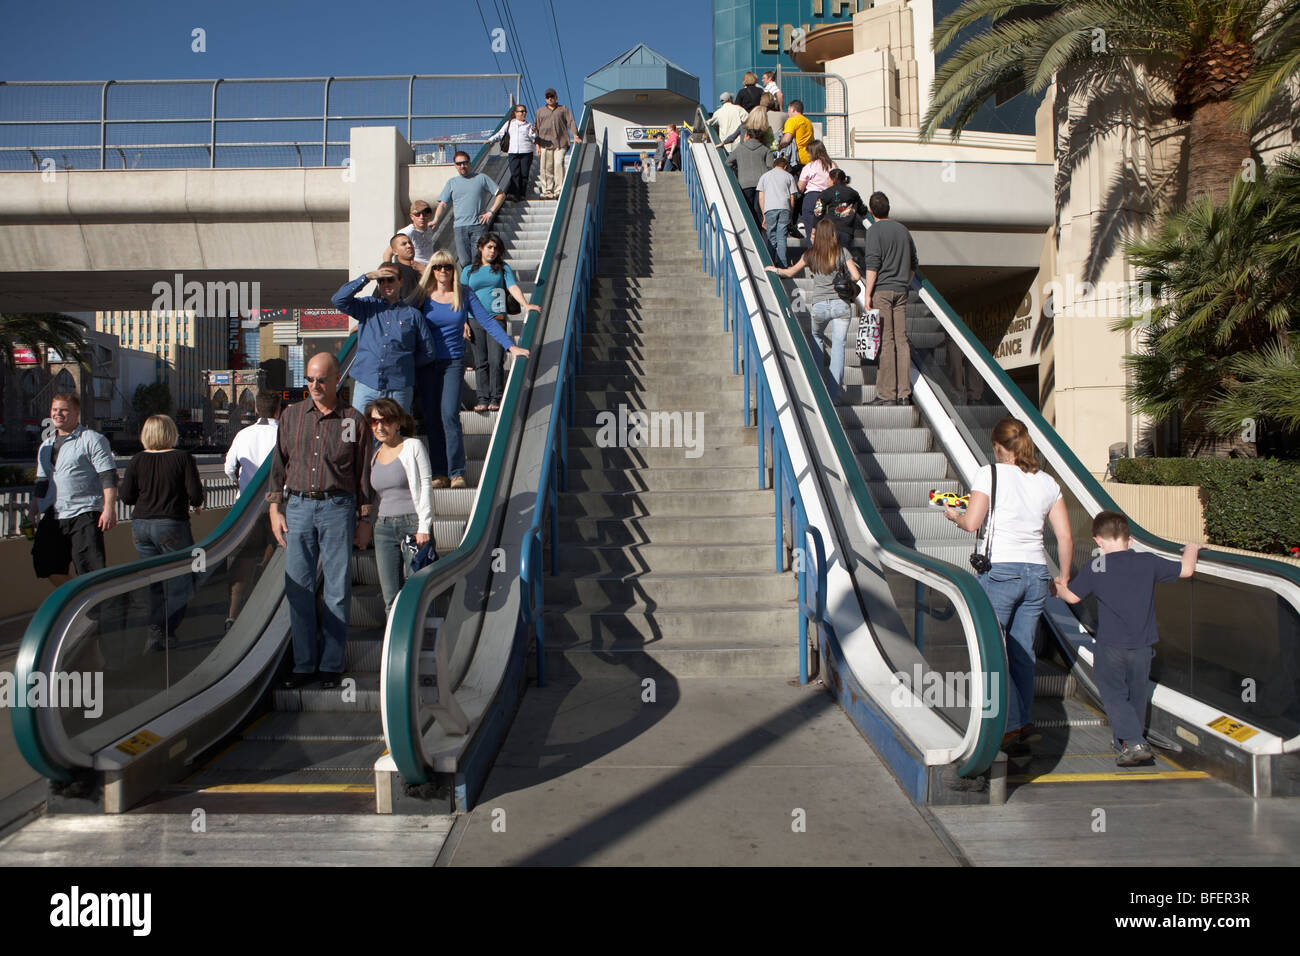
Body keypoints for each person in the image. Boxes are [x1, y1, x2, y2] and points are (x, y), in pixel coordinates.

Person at [943, 418, 1074, 757]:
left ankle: (1011, 724)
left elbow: (972, 521)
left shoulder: (991, 473)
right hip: (1037, 575)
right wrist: (1064, 578)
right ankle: (1024, 720)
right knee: (1021, 653)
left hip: (1001, 571)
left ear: (1000, 447)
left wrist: (953, 515)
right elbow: (1064, 536)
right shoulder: (1047, 483)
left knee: (993, 651)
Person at [1053, 512, 1200, 767]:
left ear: (1098, 540)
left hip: (1110, 645)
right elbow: (1186, 570)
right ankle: (1126, 741)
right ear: (1129, 540)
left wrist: (1056, 586)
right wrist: (1192, 548)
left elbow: (1073, 598)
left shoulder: (1095, 567)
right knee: (1136, 693)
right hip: (1143, 645)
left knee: (1113, 695)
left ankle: (1134, 742)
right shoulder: (1148, 562)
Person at [267, 352, 373, 691]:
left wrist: (365, 519)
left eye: (321, 379)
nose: (314, 385)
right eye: (310, 379)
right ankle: (303, 664)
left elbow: (363, 474)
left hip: (338, 508)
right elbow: (278, 466)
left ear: (337, 379)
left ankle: (331, 665)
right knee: (298, 589)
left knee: (337, 591)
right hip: (297, 506)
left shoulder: (352, 421)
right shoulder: (292, 416)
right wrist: (274, 507)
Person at [415, 249, 529, 489]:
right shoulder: (422, 295)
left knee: (449, 415)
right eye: (437, 267)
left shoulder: (464, 294)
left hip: (453, 362)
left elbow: (487, 320)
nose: (443, 271)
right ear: (431, 271)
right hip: (426, 364)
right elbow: (402, 315)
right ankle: (439, 472)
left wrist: (510, 346)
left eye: (447, 266)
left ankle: (456, 472)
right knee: (433, 418)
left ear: (453, 270)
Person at [119, 414, 204, 650]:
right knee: (182, 580)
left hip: (141, 526)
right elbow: (196, 495)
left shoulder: (137, 460)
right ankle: (168, 629)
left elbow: (126, 497)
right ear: (171, 433)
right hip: (172, 525)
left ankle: (155, 629)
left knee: (153, 580)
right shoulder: (182, 458)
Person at [765, 220, 862, 403]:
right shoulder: (842, 252)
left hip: (819, 306)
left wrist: (774, 269)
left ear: (818, 235)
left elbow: (790, 272)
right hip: (841, 305)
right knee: (839, 347)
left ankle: (818, 389)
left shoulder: (810, 255)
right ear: (833, 234)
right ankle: (834, 395)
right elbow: (856, 276)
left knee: (816, 338)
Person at [29, 393, 117, 588]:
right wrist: (33, 509)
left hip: (84, 511)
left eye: (63, 410)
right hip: (54, 512)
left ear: (76, 413)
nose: (57, 414)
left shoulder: (92, 439)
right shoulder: (46, 445)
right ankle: (77, 598)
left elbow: (108, 475)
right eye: (54, 410)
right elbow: (42, 481)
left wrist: (109, 508)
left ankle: (97, 612)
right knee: (45, 562)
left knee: (89, 569)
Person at [331, 262, 436, 414]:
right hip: (366, 384)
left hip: (399, 387)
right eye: (381, 280)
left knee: (399, 434)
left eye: (390, 279)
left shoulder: (413, 315)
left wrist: (404, 365)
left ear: (400, 281)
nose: (386, 283)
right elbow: (338, 300)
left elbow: (429, 352)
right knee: (360, 434)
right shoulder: (367, 307)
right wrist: (367, 277)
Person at [362, 398, 433, 615]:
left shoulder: (412, 446)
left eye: (386, 421)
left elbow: (426, 484)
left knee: (418, 592)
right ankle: (395, 645)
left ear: (397, 422)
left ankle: (423, 643)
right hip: (383, 529)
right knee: (390, 597)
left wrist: (424, 526)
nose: (380, 427)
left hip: (412, 525)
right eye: (374, 422)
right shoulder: (374, 454)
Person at [461, 233, 542, 412]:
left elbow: (512, 286)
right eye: (489, 247)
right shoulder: (468, 271)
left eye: (496, 248)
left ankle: (495, 397)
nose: (492, 251)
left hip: (496, 319)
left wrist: (526, 304)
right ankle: (482, 398)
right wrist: (463, 322)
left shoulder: (502, 268)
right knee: (480, 361)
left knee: (496, 360)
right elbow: (460, 296)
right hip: (474, 320)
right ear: (480, 248)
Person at [224, 390, 280, 628]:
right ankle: (267, 610)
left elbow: (229, 467)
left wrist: (242, 484)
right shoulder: (283, 432)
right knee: (276, 560)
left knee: (242, 560)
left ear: (256, 409)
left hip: (247, 508)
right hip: (278, 506)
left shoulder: (243, 434)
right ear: (279, 409)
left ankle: (232, 615)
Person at [861, 191, 919, 406]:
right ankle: (904, 393)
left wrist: (868, 293)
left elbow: (872, 264)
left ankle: (886, 394)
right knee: (902, 342)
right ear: (888, 208)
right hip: (901, 290)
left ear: (870, 210)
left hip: (883, 291)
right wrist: (904, 281)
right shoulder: (903, 230)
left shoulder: (874, 231)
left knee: (886, 342)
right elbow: (914, 263)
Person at [430, 152, 505, 268]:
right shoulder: (452, 182)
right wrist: (435, 220)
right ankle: (468, 285)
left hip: (478, 226)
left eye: (464, 163)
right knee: (464, 262)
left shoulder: (481, 178)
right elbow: (443, 204)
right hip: (459, 228)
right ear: (455, 165)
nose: (462, 166)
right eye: (458, 164)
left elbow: (500, 194)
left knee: (479, 261)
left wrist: (491, 212)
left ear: (469, 163)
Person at [815, 168, 869, 265]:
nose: (827, 181)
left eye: (828, 179)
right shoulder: (853, 193)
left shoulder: (827, 192)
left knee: (828, 258)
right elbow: (862, 209)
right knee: (844, 258)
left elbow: (818, 212)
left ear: (832, 180)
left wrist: (816, 226)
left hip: (829, 230)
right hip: (846, 230)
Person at [535, 88, 579, 199]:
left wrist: (575, 135)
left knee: (558, 164)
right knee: (546, 168)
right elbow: (536, 129)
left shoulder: (563, 109)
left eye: (552, 96)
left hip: (561, 142)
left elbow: (570, 122)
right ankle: (547, 191)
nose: (550, 99)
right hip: (545, 144)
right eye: (548, 97)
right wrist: (537, 146)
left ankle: (559, 190)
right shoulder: (540, 111)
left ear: (556, 97)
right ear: (545, 98)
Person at [488, 104, 538, 201]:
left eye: (524, 111)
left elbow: (533, 138)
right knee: (515, 173)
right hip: (513, 152)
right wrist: (491, 140)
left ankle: (522, 194)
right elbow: (500, 133)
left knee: (524, 174)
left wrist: (534, 133)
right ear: (515, 113)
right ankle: (514, 194)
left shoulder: (529, 125)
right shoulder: (509, 123)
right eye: (521, 111)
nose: (523, 113)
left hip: (526, 152)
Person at [757, 156, 798, 267]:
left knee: (771, 237)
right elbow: (792, 197)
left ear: (774, 165)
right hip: (785, 208)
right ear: (785, 166)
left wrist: (764, 213)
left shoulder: (765, 176)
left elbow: (761, 197)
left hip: (770, 209)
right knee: (782, 236)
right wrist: (791, 213)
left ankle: (770, 262)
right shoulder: (789, 176)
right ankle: (782, 264)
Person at [727, 127, 774, 224]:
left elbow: (728, 162)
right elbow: (770, 167)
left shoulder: (739, 149)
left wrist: (738, 167)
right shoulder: (765, 149)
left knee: (748, 209)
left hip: (744, 183)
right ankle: (761, 229)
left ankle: (751, 227)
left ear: (747, 135)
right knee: (759, 208)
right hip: (762, 183)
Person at [797, 140, 836, 240]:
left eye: (809, 152)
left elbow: (800, 188)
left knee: (811, 231)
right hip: (828, 198)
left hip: (811, 198)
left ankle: (813, 252)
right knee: (825, 231)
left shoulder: (809, 167)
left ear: (814, 152)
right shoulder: (832, 165)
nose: (808, 155)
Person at [393, 200, 435, 267]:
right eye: (418, 214)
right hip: (415, 270)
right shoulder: (406, 232)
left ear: (429, 215)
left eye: (425, 214)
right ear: (412, 216)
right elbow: (389, 252)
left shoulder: (429, 230)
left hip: (431, 268)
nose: (421, 217)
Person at [779, 99, 814, 176]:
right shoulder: (808, 122)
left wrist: (779, 146)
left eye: (788, 111)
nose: (788, 113)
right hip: (809, 158)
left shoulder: (792, 120)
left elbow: (786, 140)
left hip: (796, 159)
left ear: (793, 109)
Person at [386, 233, 423, 299]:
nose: (409, 246)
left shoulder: (421, 268)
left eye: (410, 243)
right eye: (404, 244)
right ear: (395, 252)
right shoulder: (393, 271)